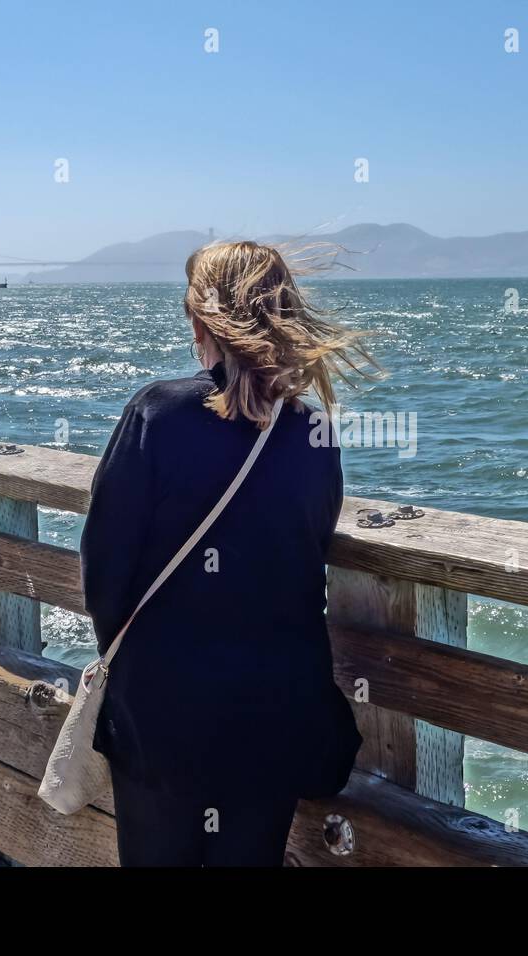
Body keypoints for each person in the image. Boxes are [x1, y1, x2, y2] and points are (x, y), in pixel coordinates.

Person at [81, 240, 372, 866]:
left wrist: (137, 672)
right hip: (270, 710)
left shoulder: (155, 413)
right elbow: (307, 560)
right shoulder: (313, 432)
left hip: (161, 710)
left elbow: (105, 574)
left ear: (200, 322)